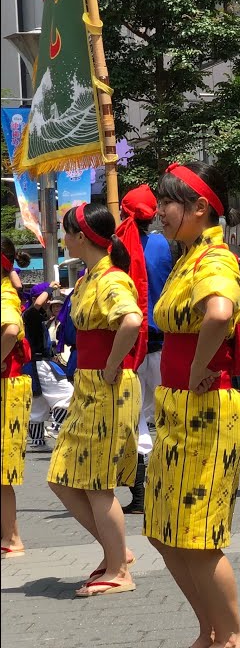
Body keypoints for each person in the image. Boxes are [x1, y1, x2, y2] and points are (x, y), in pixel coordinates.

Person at [148, 160, 240, 647]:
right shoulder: (189, 256)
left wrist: (194, 369)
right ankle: (210, 628)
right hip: (181, 408)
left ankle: (231, 638)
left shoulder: (215, 258)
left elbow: (219, 312)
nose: (160, 213)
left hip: (207, 408)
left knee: (198, 534)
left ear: (199, 208)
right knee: (163, 530)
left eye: (168, 203)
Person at [46, 201, 147, 596]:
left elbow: (133, 320)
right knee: (63, 477)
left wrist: (110, 365)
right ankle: (116, 550)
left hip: (106, 386)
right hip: (91, 387)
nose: (64, 237)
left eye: (67, 231)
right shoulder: (92, 277)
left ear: (82, 236)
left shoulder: (110, 279)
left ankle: (119, 568)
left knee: (96, 483)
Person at [124, 185, 174, 515]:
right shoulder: (163, 244)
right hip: (164, 344)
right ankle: (166, 484)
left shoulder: (119, 247)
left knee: (137, 420)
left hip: (131, 347)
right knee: (163, 418)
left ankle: (142, 491)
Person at [1, 236, 33, 559]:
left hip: (7, 389)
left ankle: (11, 539)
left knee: (2, 472)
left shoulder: (5, 295)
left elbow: (11, 329)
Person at [23, 282, 72, 453]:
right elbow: (37, 303)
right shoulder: (30, 315)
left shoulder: (35, 317)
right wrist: (50, 287)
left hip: (35, 364)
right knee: (68, 395)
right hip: (40, 364)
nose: (49, 300)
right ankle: (56, 427)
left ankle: (37, 441)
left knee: (39, 404)